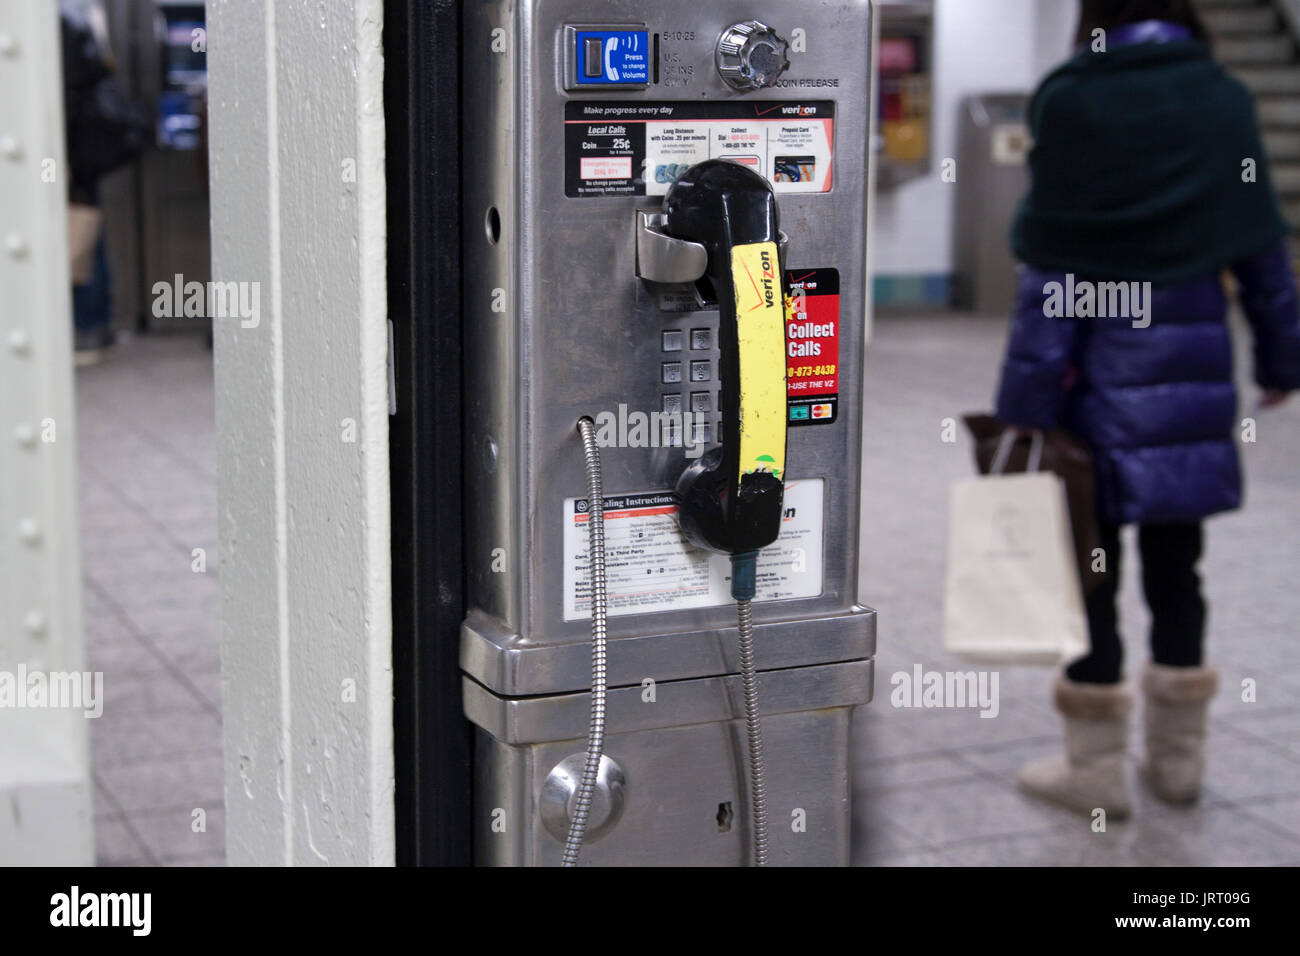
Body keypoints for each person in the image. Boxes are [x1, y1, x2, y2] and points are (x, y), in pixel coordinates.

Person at [994, 0, 1300, 818]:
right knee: (1179, 562)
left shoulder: (1069, 97)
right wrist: (1282, 357)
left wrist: (1024, 400)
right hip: (1190, 374)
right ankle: (1178, 765)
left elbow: (1048, 269)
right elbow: (1262, 242)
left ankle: (1094, 770)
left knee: (1093, 566)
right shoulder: (1222, 97)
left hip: (1090, 380)